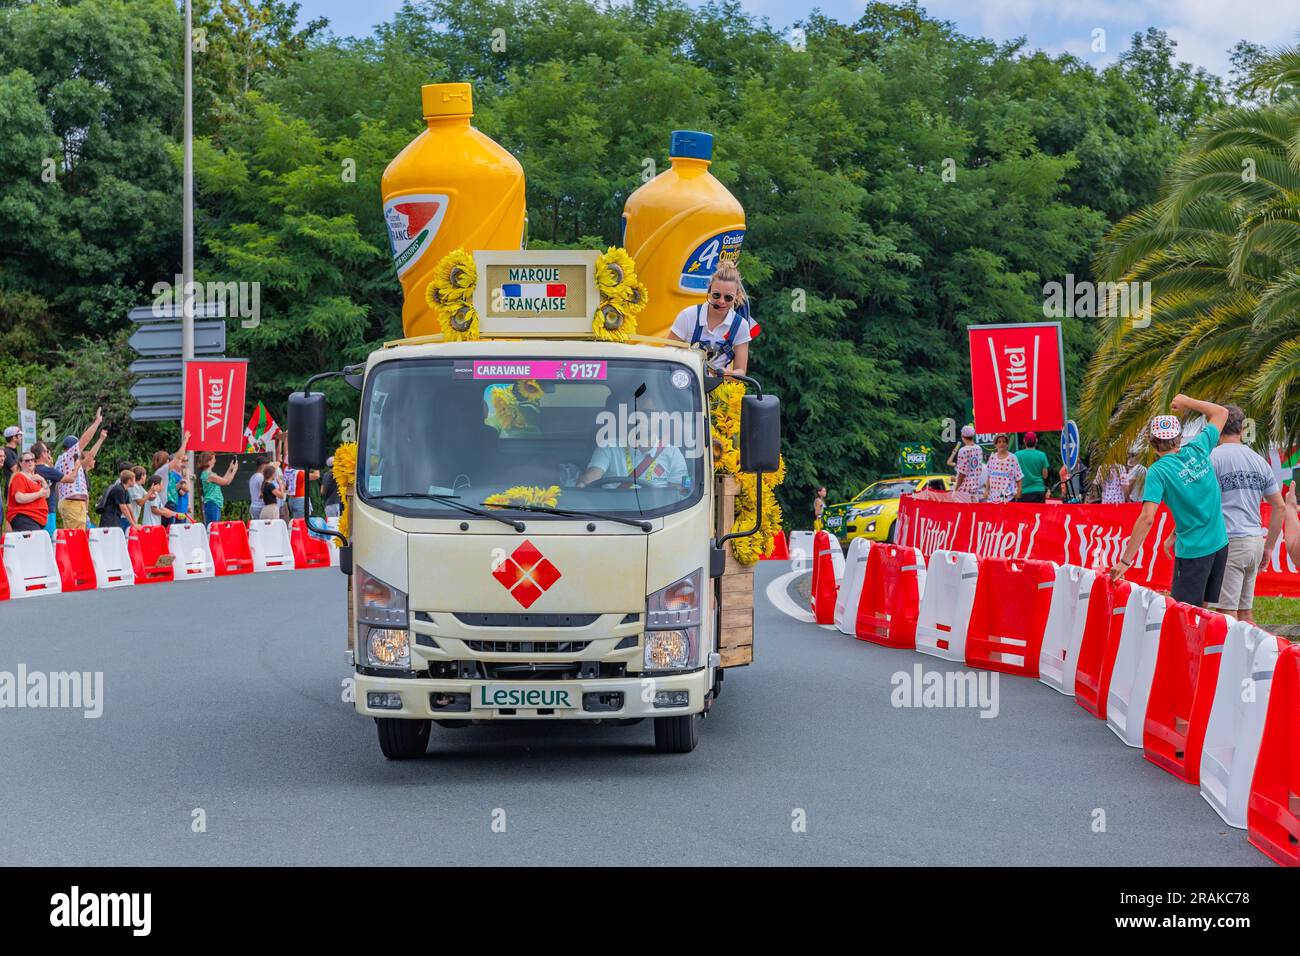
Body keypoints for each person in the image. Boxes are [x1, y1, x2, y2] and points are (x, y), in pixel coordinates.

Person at [1109, 395, 1230, 608]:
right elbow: (1221, 412)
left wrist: (1125, 561)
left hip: (1194, 551)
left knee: (1184, 615)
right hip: (1219, 544)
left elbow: (1147, 518)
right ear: (1179, 437)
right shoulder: (1198, 448)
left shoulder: (1158, 471)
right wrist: (1187, 402)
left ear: (1152, 444)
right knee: (1204, 611)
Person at [1209, 405, 1283, 624]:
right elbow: (1279, 506)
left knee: (1227, 614)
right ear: (1242, 428)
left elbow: (1204, 502)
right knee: (1244, 613)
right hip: (1254, 541)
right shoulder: (1259, 461)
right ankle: (1255, 657)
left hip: (1231, 540)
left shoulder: (1212, 458)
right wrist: (1268, 546)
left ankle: (1231, 658)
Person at [575, 396, 689, 491]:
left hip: (659, 514)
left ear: (659, 417)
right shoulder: (609, 446)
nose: (640, 418)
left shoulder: (673, 453)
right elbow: (593, 475)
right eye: (634, 413)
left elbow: (678, 493)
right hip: (612, 513)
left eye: (647, 413)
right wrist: (583, 484)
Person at [666, 261, 753, 376]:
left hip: (719, 387)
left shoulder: (741, 325)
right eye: (716, 295)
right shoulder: (688, 316)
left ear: (737, 296)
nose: (721, 301)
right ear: (709, 290)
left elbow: (740, 371)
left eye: (728, 298)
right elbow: (667, 355)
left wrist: (727, 373)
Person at [53, 409, 105, 530]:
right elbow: (85, 440)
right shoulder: (67, 456)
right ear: (73, 448)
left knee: (74, 539)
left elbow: (89, 459)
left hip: (72, 503)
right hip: (72, 503)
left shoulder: (68, 461)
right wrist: (97, 422)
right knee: (77, 540)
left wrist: (101, 439)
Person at [5, 448, 51, 533]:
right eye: (27, 460)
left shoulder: (36, 478)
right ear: (20, 463)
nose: (30, 462)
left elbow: (47, 494)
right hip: (25, 517)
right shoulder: (19, 477)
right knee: (33, 544)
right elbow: (19, 498)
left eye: (32, 460)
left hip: (36, 519)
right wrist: (39, 493)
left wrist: (42, 480)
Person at [195, 452, 239, 525]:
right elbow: (226, 482)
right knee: (213, 528)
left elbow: (223, 480)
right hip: (212, 503)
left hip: (213, 503)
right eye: (213, 459)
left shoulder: (208, 474)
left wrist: (230, 469)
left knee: (213, 527)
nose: (215, 460)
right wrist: (234, 470)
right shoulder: (210, 475)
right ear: (208, 461)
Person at [984, 434, 1022, 503]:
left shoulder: (1012, 458)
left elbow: (1018, 477)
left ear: (1007, 444)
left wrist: (1019, 491)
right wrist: (986, 490)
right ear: (995, 444)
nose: (1002, 444)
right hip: (993, 498)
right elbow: (989, 476)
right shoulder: (992, 457)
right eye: (999, 442)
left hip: (1009, 497)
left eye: (1004, 442)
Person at [99, 468, 139, 533]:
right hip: (109, 518)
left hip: (116, 517)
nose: (135, 482)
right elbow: (124, 509)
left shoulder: (125, 490)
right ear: (129, 481)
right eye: (134, 479)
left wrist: (135, 522)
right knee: (110, 538)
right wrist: (133, 524)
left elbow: (129, 508)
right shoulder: (119, 489)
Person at [1014, 432, 1050, 503]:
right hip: (1039, 490)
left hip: (1023, 491)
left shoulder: (1017, 455)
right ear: (1036, 440)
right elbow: (1045, 476)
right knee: (1038, 513)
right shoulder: (1042, 455)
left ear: (1024, 441)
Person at [951, 425, 983, 503]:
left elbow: (962, 473)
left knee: (963, 512)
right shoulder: (979, 448)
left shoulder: (963, 450)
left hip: (964, 489)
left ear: (962, 436)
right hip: (974, 488)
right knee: (974, 512)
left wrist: (956, 488)